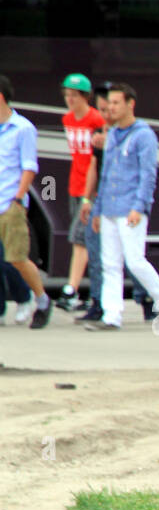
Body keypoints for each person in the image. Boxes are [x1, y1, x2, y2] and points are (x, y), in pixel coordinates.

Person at [89, 82, 159, 331]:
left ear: (130, 104)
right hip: (109, 208)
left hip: (130, 208)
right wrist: (97, 209)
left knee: (134, 260)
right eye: (109, 103)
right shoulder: (113, 133)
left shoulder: (144, 135)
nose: (110, 108)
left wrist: (140, 206)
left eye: (116, 103)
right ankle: (111, 316)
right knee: (110, 264)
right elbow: (106, 173)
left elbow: (148, 175)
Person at [0, 74, 53, 329]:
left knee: (17, 258)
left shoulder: (23, 128)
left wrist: (19, 199)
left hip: (10, 203)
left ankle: (41, 300)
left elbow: (29, 167)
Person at [55, 73, 105, 312]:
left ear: (86, 97)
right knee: (90, 240)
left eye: (75, 96)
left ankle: (70, 289)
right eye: (67, 95)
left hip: (92, 187)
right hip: (74, 184)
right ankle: (97, 293)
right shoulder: (67, 120)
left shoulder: (96, 119)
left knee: (80, 236)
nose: (70, 100)